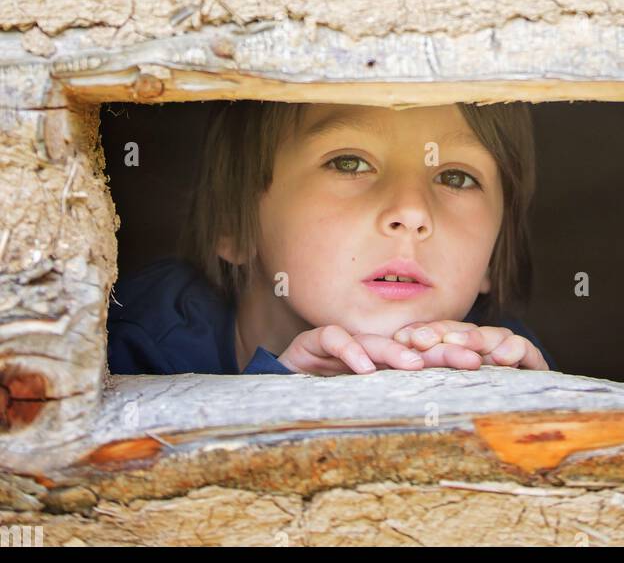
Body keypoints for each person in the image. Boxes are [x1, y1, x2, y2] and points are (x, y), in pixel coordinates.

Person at [107, 100, 558, 376]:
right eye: (348, 163)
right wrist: (281, 400)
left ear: (493, 253)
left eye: (456, 177)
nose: (412, 212)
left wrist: (535, 407)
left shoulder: (496, 357)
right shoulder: (138, 345)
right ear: (235, 221)